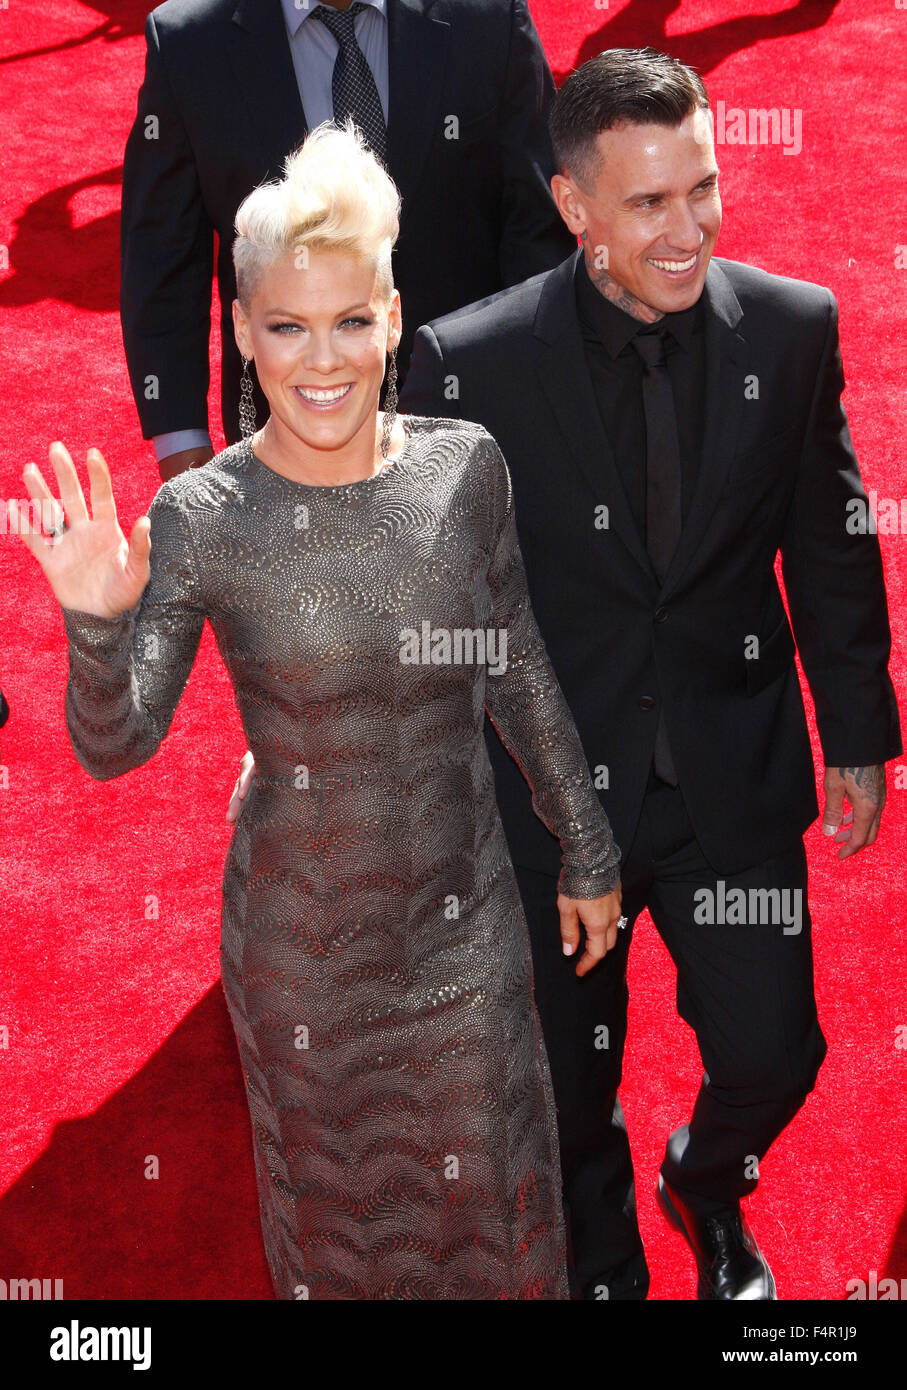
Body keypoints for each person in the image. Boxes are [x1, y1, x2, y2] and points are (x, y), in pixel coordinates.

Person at [16, 124, 623, 1300]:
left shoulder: (466, 470)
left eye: (351, 320)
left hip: (467, 934)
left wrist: (586, 844)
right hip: (301, 960)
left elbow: (516, 667)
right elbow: (116, 744)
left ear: (394, 318)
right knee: (343, 1238)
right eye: (285, 326)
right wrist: (96, 623)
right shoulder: (203, 515)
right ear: (242, 334)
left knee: (499, 1218)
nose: (322, 359)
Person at [396, 48, 902, 1299]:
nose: (688, 231)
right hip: (553, 807)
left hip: (725, 778)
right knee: (567, 1099)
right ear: (574, 209)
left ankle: (706, 1175)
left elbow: (829, 545)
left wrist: (856, 732)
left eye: (704, 189)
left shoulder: (789, 330)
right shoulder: (471, 363)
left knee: (776, 1052)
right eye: (648, 203)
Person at [120, 0, 576, 482]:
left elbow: (538, 236)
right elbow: (162, 263)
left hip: (472, 432)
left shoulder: (488, 17)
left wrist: (535, 421)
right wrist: (186, 464)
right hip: (283, 446)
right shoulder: (189, 42)